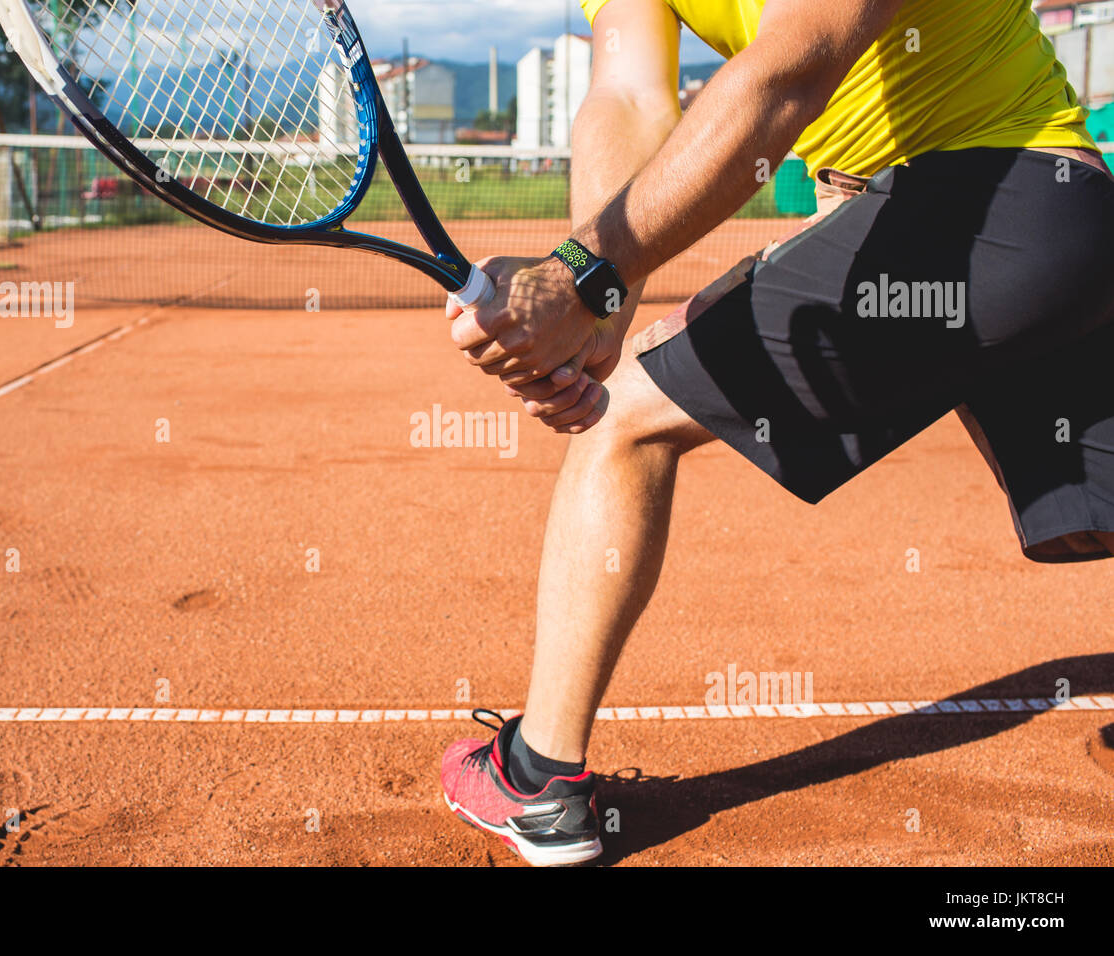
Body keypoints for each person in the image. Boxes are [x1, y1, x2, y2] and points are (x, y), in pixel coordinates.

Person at [439, 0, 1114, 866]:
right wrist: (603, 296)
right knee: (1097, 505)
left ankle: (536, 779)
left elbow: (788, 72)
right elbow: (631, 97)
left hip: (985, 209)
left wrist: (577, 279)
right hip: (1045, 225)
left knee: (624, 425)